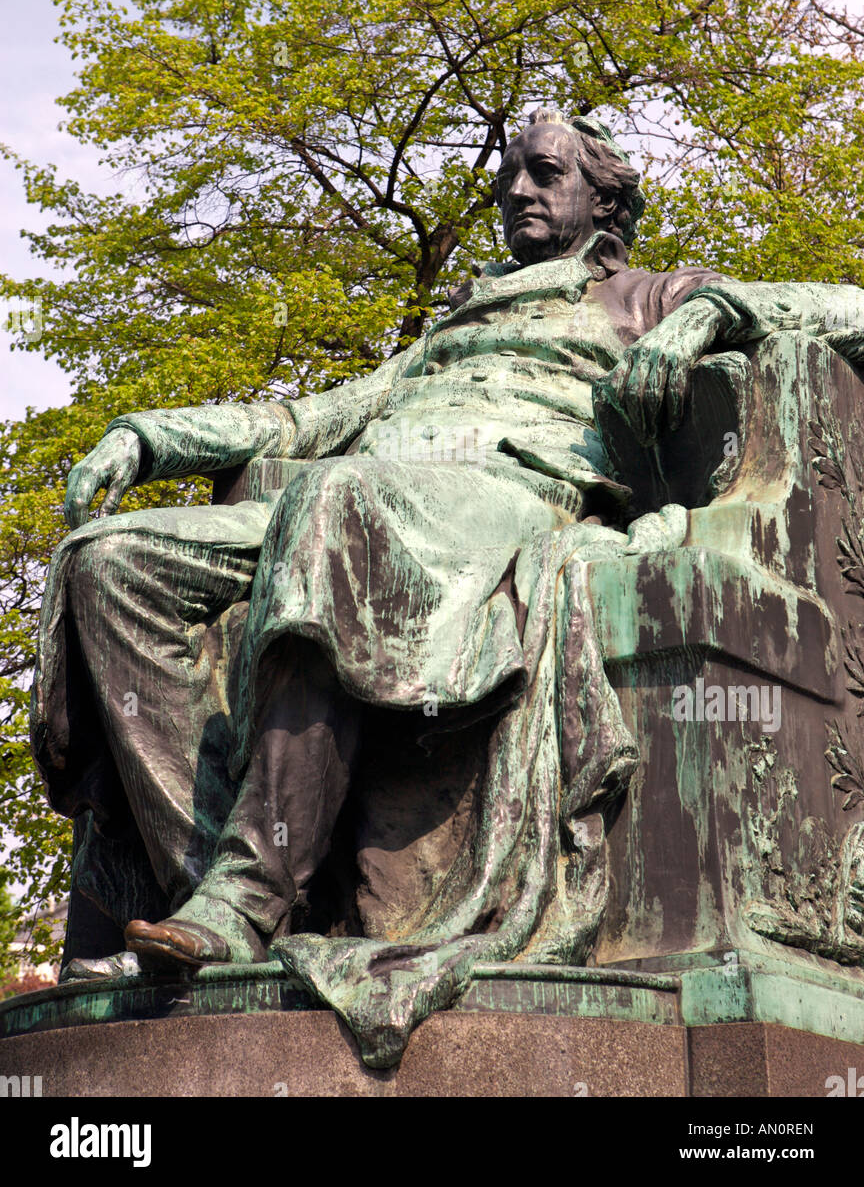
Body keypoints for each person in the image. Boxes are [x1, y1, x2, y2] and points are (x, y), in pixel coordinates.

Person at [32, 108, 864, 1066]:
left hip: (497, 504)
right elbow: (308, 418)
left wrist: (710, 315)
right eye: (509, 177)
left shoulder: (643, 297)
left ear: (604, 201)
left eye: (544, 173)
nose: (517, 191)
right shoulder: (454, 324)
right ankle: (204, 893)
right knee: (109, 561)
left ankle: (247, 895)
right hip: (360, 497)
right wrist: (148, 435)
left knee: (337, 499)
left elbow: (850, 309)